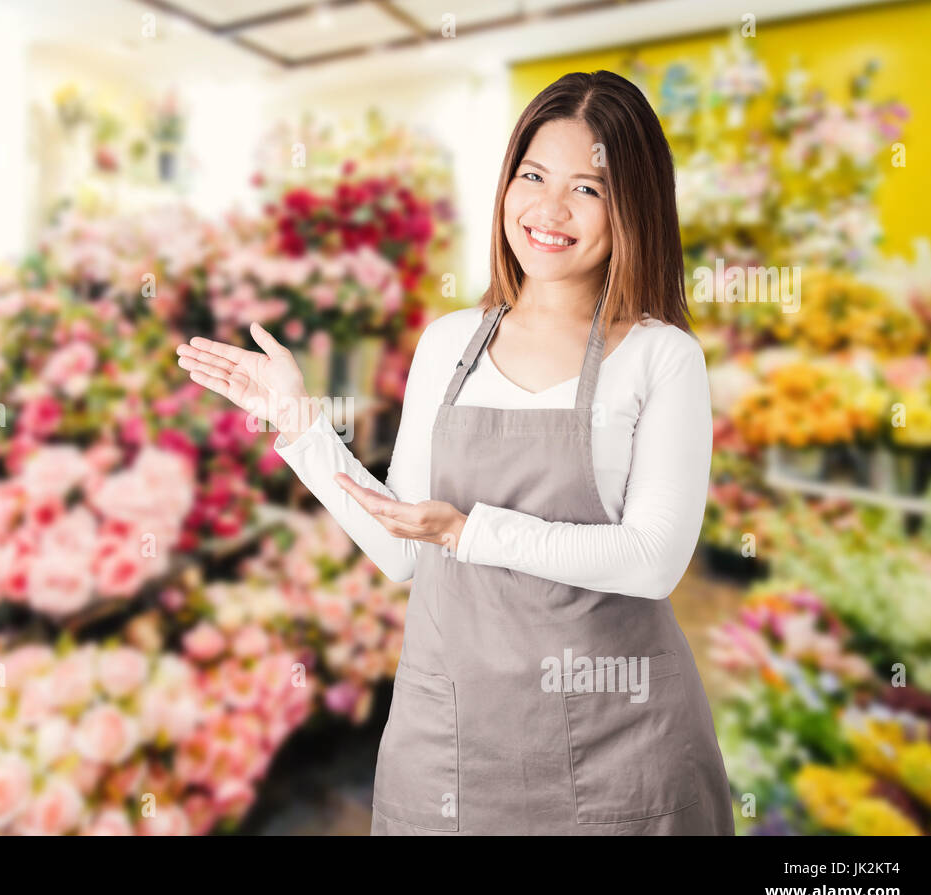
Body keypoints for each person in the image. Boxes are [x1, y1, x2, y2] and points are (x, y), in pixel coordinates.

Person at [175, 70, 736, 836]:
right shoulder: (449, 343)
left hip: (617, 744)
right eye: (532, 176)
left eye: (587, 190)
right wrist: (301, 427)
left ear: (633, 205)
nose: (548, 209)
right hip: (452, 742)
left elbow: (652, 560)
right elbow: (403, 546)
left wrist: (466, 532)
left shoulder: (660, 358)